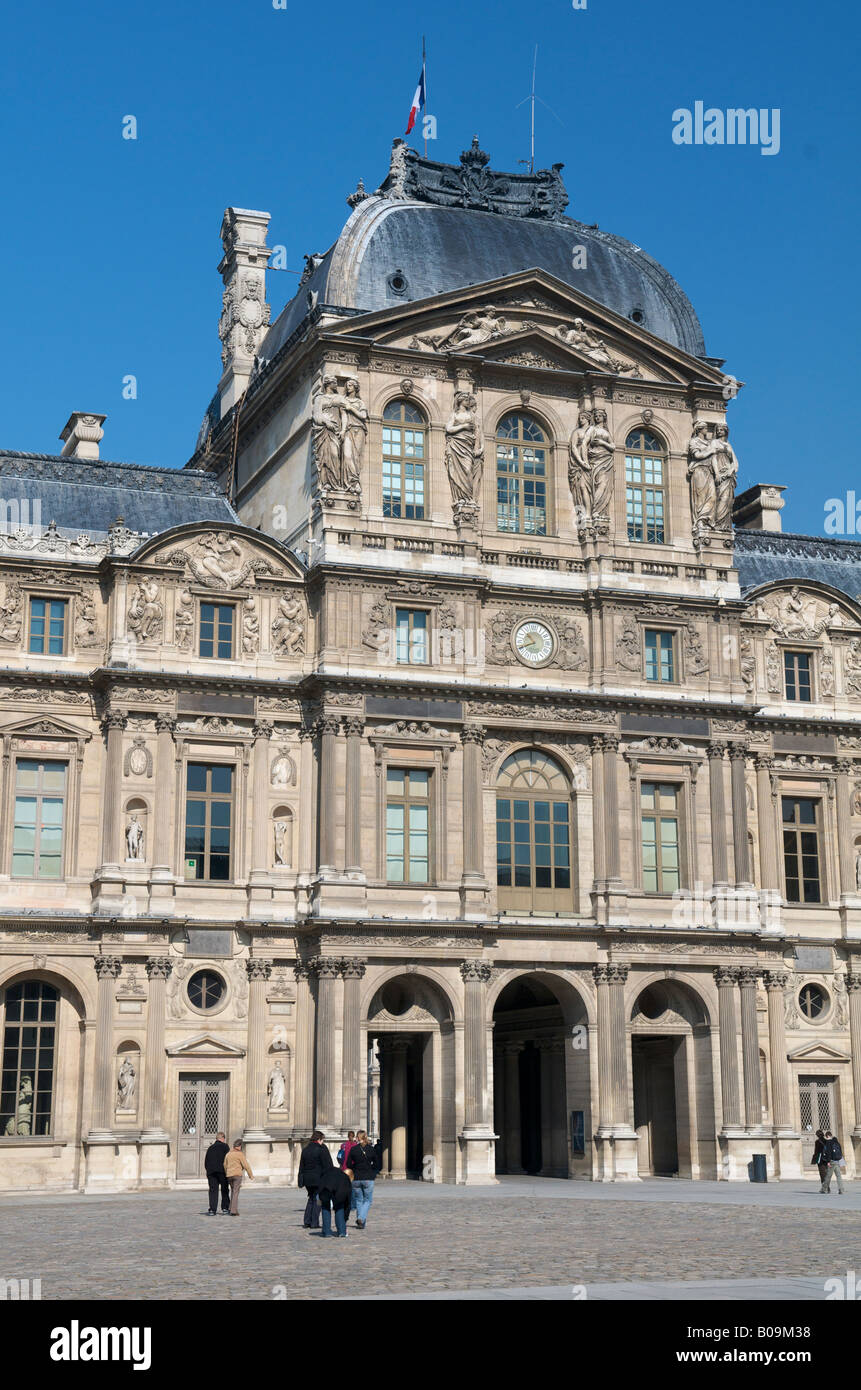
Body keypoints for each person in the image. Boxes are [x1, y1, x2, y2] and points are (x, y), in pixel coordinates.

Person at [297, 1130, 333, 1229]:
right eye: (322, 1140)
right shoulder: (321, 1149)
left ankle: (307, 1221)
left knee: (311, 1198)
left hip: (308, 1179)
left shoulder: (306, 1149)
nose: (323, 1142)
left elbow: (301, 1166)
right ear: (319, 1139)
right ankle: (314, 1222)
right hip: (318, 1178)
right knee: (318, 1200)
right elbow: (328, 1165)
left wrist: (300, 1179)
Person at [349, 1130, 381, 1229]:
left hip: (356, 1178)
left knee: (359, 1200)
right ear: (365, 1137)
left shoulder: (353, 1149)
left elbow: (349, 1164)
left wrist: (355, 1168)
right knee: (367, 1200)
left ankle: (361, 1223)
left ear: (358, 1137)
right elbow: (377, 1164)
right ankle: (361, 1218)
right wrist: (371, 1168)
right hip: (368, 1177)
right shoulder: (371, 1149)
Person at [318, 1164, 353, 1238]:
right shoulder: (345, 1177)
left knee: (325, 1207)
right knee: (339, 1207)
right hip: (340, 1189)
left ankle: (327, 1232)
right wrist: (345, 1217)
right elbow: (348, 1202)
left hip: (326, 1188)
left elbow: (319, 1188)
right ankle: (342, 1232)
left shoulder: (324, 1175)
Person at [224, 1139, 254, 1215]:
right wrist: (251, 1175)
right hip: (237, 1175)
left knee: (233, 1192)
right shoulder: (240, 1154)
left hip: (229, 1175)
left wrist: (226, 1172)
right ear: (240, 1146)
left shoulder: (228, 1154)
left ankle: (231, 1208)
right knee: (235, 1192)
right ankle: (233, 1211)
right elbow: (246, 1165)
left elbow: (224, 1165)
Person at [204, 1130, 230, 1215]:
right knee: (224, 1190)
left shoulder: (210, 1148)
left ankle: (212, 1209)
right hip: (222, 1171)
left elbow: (206, 1161)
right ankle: (225, 1208)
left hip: (211, 1172)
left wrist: (208, 1171)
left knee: (213, 1191)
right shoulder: (225, 1147)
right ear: (222, 1138)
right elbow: (228, 1160)